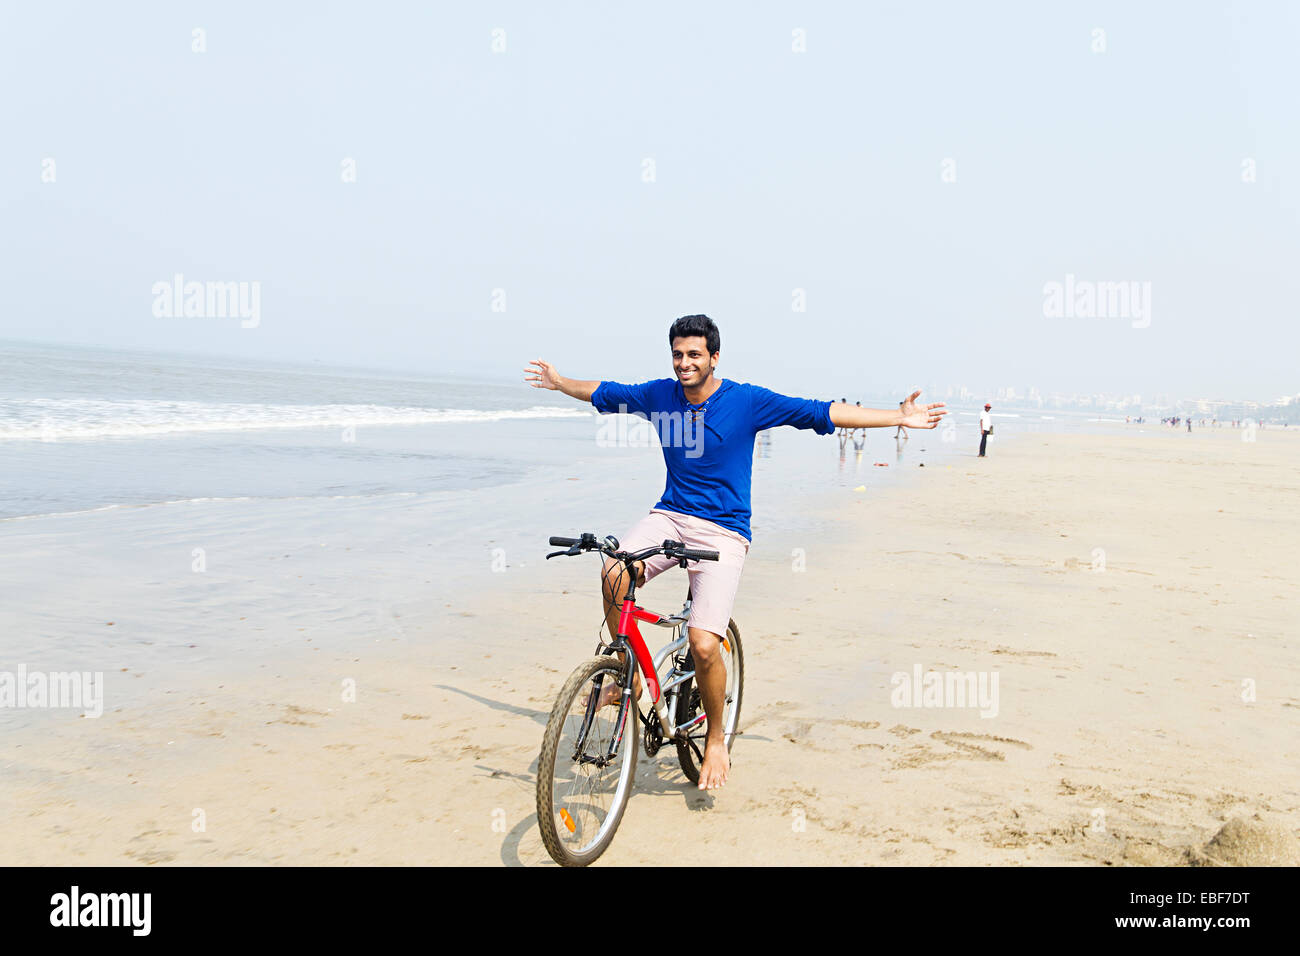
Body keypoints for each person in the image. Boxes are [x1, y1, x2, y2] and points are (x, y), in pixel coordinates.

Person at [524, 314, 946, 791]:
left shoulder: (745, 401)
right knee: (613, 573)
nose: (684, 363)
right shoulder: (659, 394)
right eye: (678, 355)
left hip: (723, 532)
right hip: (669, 514)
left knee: (705, 644)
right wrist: (559, 383)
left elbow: (819, 411)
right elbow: (604, 389)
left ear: (714, 358)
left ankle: (718, 740)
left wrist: (898, 417)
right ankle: (628, 676)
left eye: (694, 355)